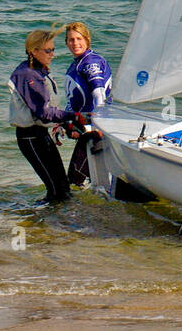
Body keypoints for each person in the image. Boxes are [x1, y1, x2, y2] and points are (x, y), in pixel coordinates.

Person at [8, 29, 78, 204]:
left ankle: (55, 226)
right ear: (33, 51)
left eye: (53, 49)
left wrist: (65, 123)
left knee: (63, 188)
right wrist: (73, 116)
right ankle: (41, 225)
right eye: (48, 50)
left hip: (41, 135)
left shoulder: (39, 71)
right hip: (30, 137)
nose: (52, 54)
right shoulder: (28, 75)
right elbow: (43, 112)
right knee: (57, 191)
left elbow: (49, 110)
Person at [63, 22, 112, 186]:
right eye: (70, 39)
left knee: (74, 182)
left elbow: (99, 95)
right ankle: (97, 209)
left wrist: (99, 129)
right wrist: (64, 124)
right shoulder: (77, 63)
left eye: (79, 38)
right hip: (85, 130)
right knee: (91, 182)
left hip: (94, 132)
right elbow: (73, 100)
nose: (75, 43)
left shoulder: (91, 62)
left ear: (87, 39)